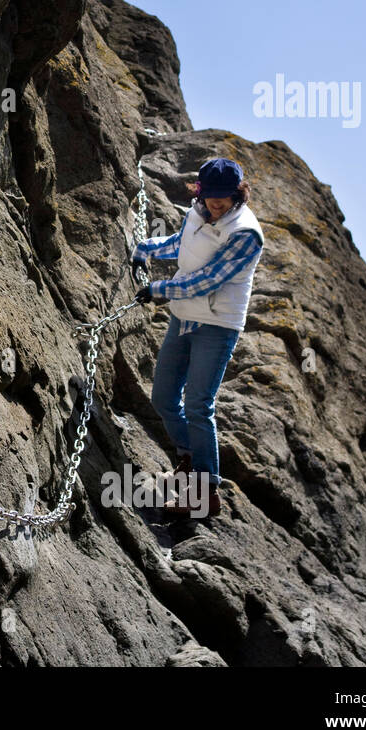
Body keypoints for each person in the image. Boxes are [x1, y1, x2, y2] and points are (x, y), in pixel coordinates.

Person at [131, 157, 264, 518]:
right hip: (184, 317)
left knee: (198, 404)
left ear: (238, 194)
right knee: (162, 397)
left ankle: (205, 495)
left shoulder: (245, 233)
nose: (216, 204)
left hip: (218, 325)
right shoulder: (198, 211)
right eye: (210, 196)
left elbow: (208, 279)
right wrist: (145, 249)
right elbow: (182, 246)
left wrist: (158, 288)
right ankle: (189, 463)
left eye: (224, 197)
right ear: (200, 192)